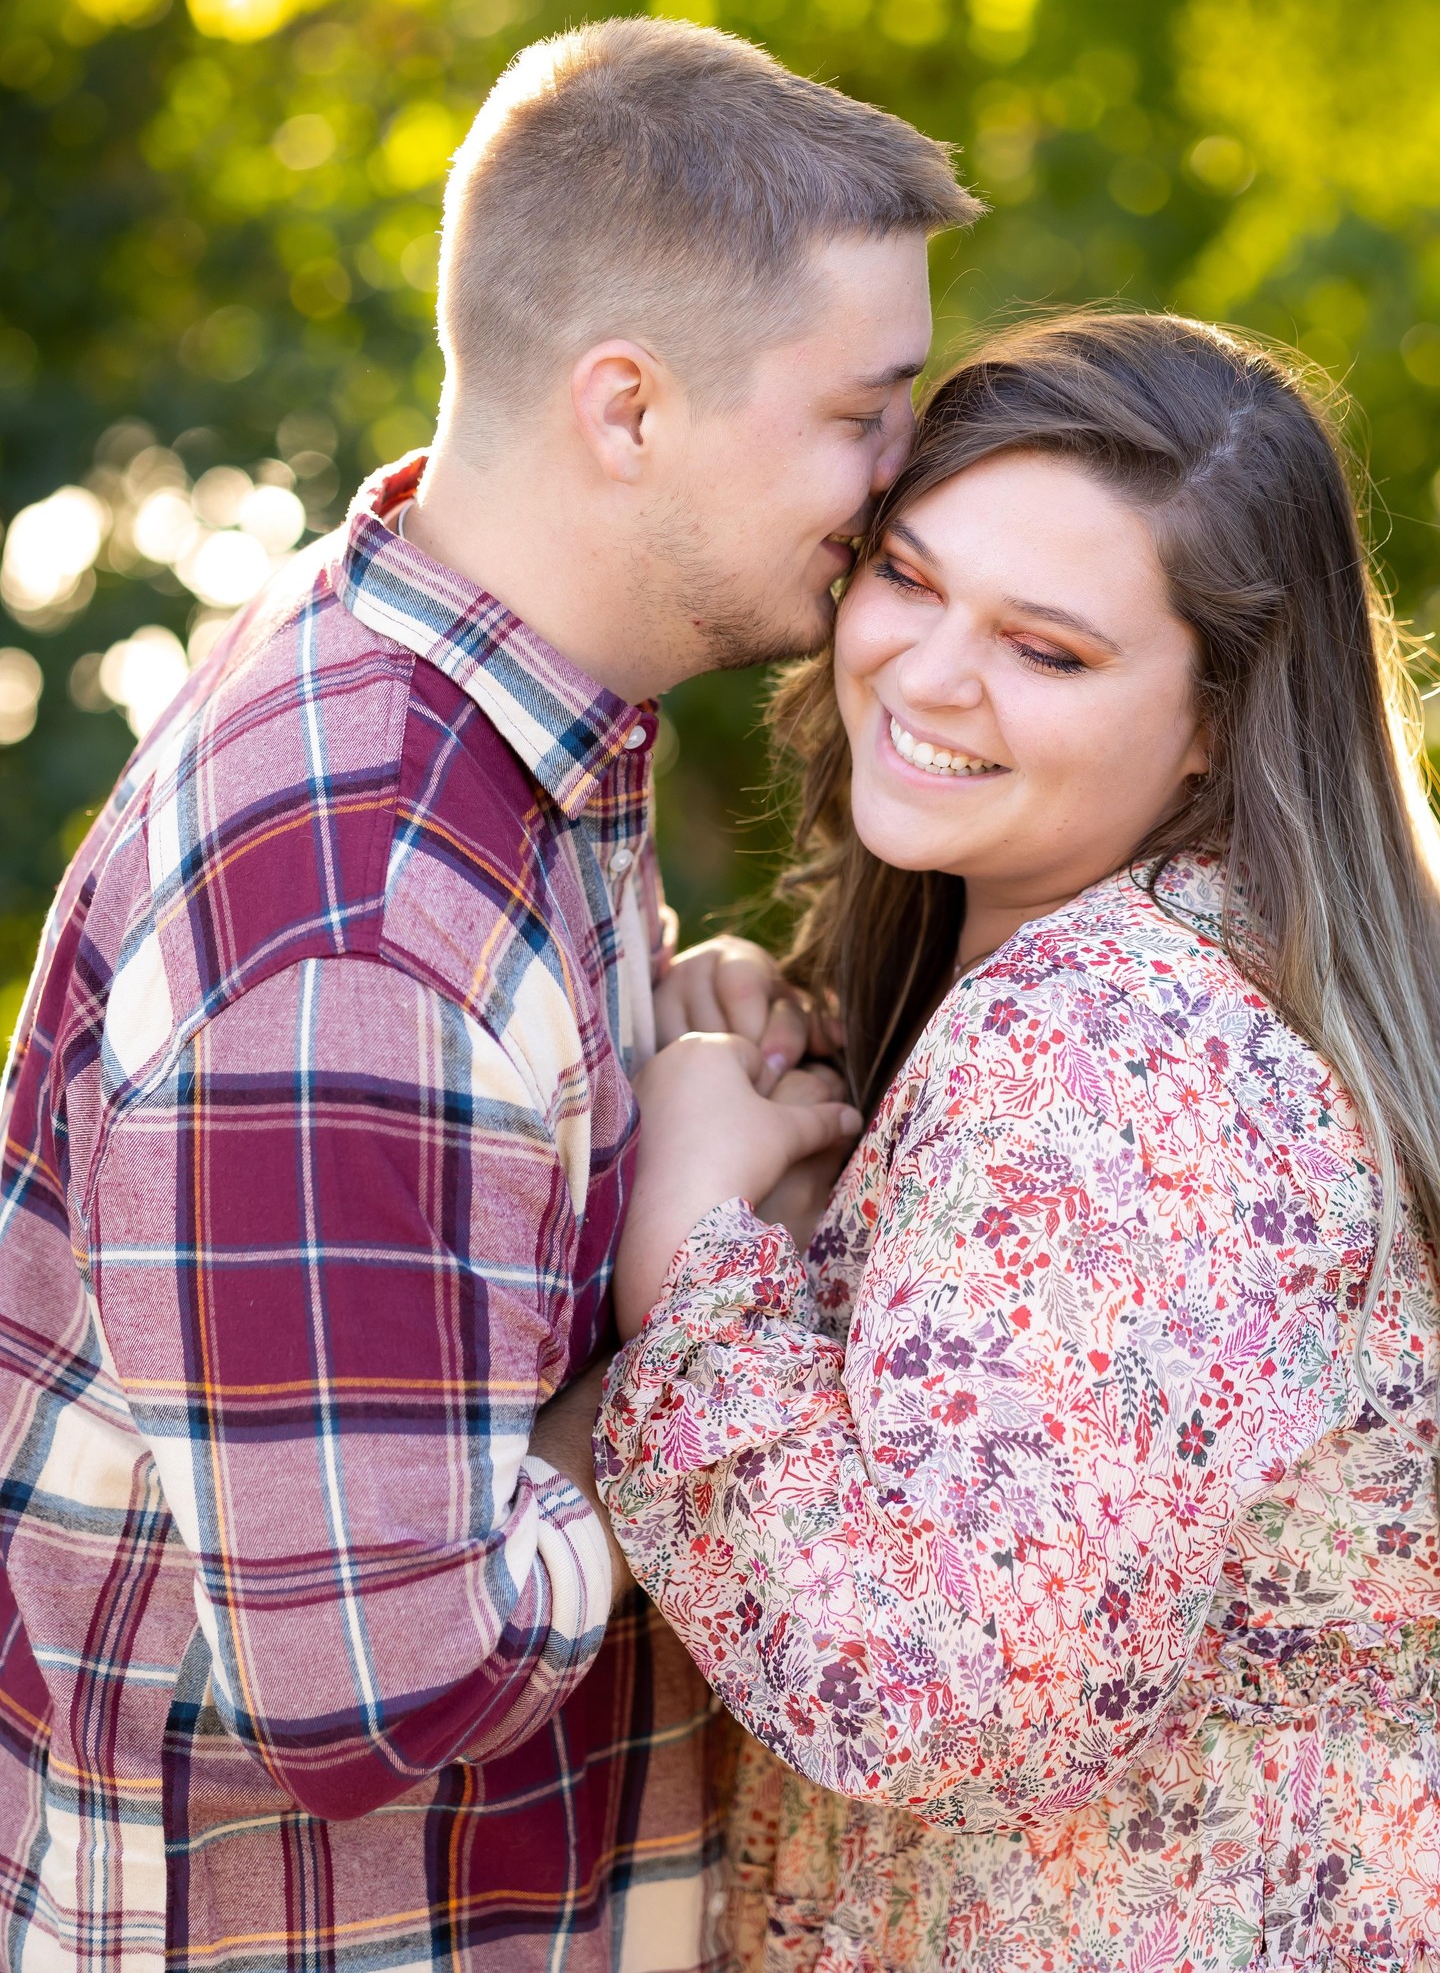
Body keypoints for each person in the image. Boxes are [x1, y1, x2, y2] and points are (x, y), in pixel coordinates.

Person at [0, 18, 977, 1973]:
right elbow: (381, 1679)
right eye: (863, 415)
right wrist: (696, 1300)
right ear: (628, 410)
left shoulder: (477, 714)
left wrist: (643, 1084)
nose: (895, 490)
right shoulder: (360, 932)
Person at [596, 312, 1440, 1972]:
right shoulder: (1178, 986)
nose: (926, 674)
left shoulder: (1122, 1054)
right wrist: (811, 1073)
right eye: (910, 577)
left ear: (1217, 722)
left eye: (1048, 651)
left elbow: (937, 1689)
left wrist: (696, 1272)